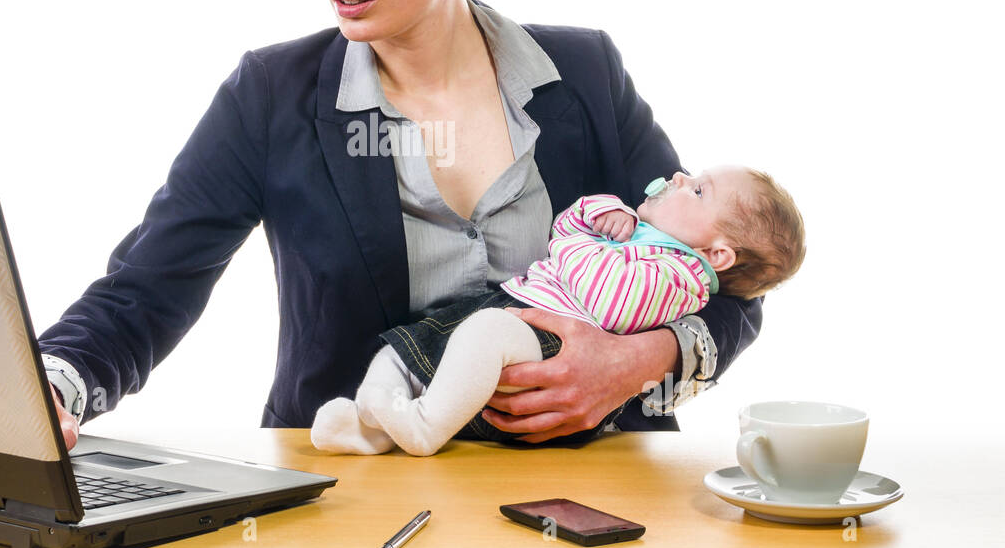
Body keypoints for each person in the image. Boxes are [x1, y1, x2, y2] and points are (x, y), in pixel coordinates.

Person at [39, 0, 764, 452]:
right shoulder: (270, 95)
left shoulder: (584, 74)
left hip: (586, 495)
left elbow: (730, 277)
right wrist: (51, 385)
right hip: (355, 491)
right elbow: (144, 290)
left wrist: (635, 360)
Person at [311, 166, 805, 456]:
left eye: (697, 189)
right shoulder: (637, 230)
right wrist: (596, 215)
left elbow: (602, 295)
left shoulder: (681, 275)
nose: (677, 175)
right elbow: (571, 219)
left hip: (553, 342)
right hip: (516, 306)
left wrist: (572, 240)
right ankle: (371, 424)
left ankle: (422, 428)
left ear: (718, 255)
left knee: (485, 334)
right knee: (407, 345)